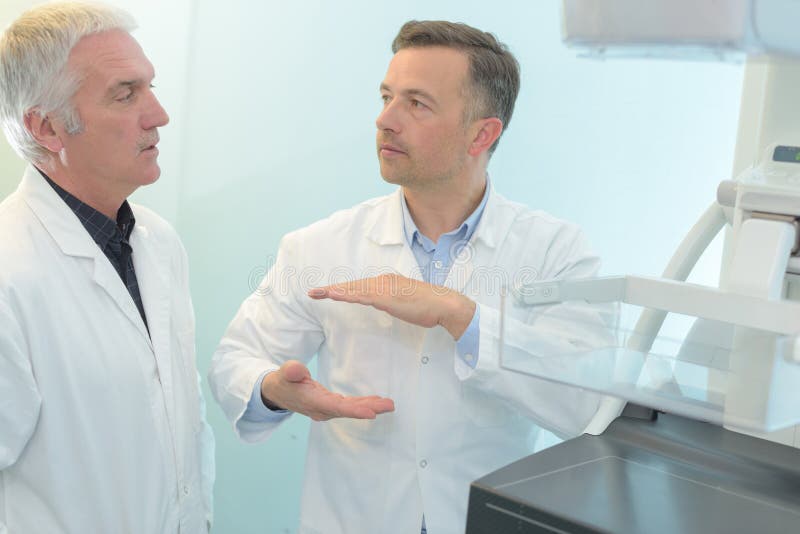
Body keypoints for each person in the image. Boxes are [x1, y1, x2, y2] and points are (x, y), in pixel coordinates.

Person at [209, 20, 604, 534]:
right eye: (386, 97)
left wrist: (461, 317)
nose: (385, 120)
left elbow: (588, 403)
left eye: (416, 103)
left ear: (481, 134)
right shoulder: (320, 246)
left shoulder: (555, 252)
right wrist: (272, 389)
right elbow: (234, 361)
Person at [0, 3, 213, 532]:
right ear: (47, 127)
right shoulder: (9, 270)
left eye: (150, 86)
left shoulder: (159, 242)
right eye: (125, 94)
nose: (159, 115)